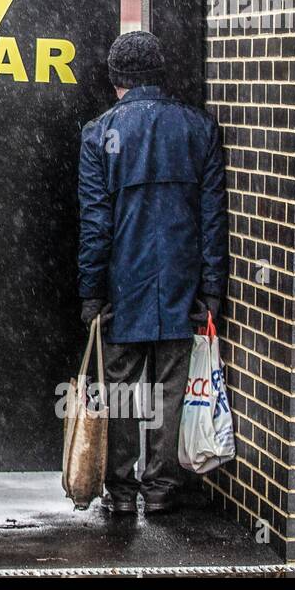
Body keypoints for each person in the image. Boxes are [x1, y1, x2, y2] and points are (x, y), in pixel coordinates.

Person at [76, 31, 227, 515]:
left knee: (119, 390)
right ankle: (161, 488)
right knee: (171, 389)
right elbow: (213, 216)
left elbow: (96, 224)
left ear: (117, 80)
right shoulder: (200, 128)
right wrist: (212, 288)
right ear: (159, 74)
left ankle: (120, 491)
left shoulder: (100, 133)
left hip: (124, 282)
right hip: (183, 282)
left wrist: (92, 292)